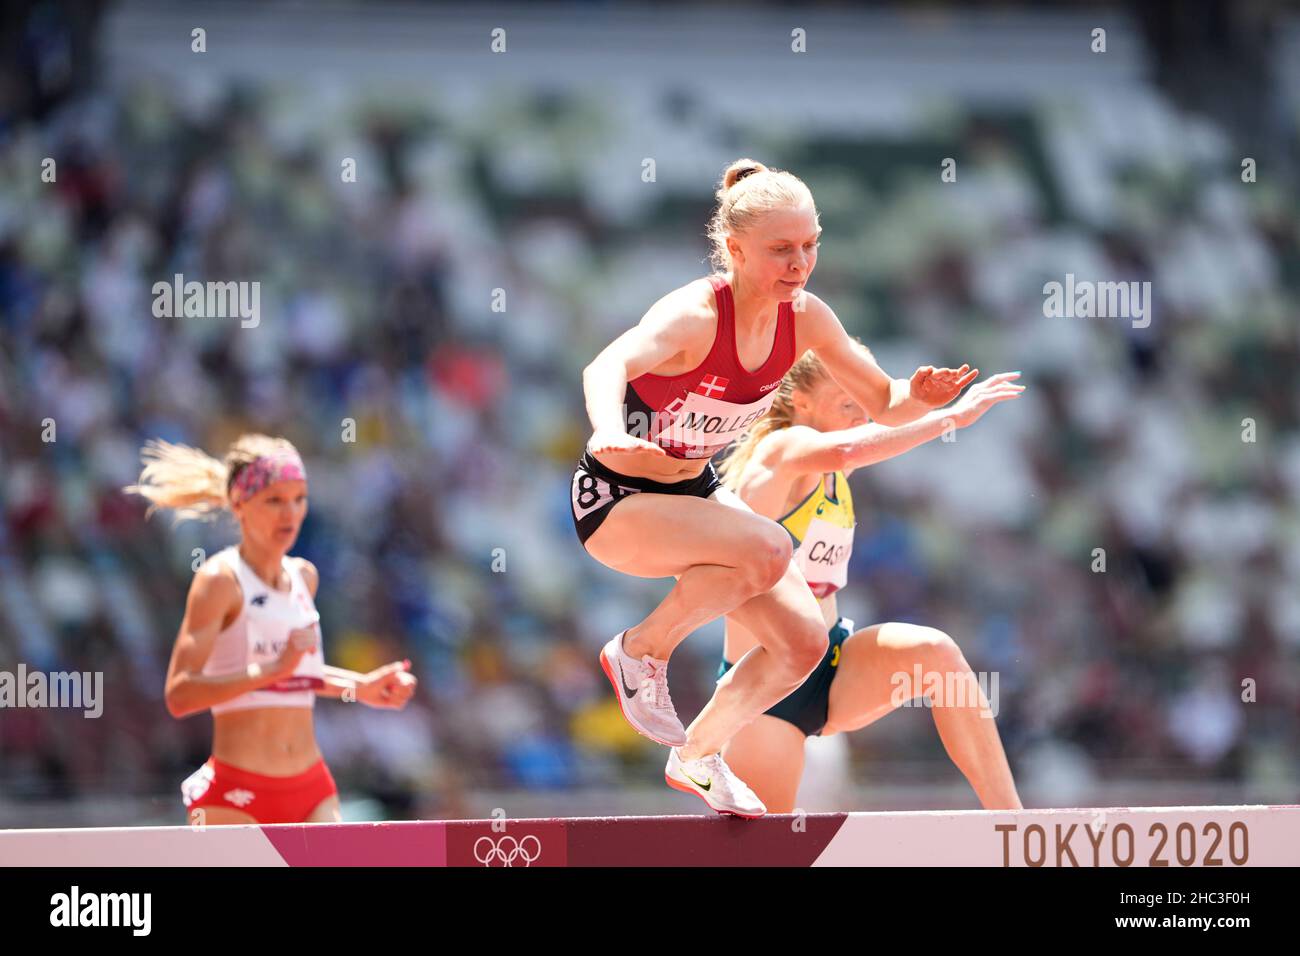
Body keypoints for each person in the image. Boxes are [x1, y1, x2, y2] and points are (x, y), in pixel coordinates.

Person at [572, 157, 979, 817]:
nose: (800, 263)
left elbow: (882, 402)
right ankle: (640, 651)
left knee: (804, 644)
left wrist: (919, 396)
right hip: (619, 501)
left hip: (695, 497)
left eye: (811, 246)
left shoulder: (807, 318)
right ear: (734, 249)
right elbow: (607, 362)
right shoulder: (698, 316)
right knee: (769, 548)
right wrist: (611, 428)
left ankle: (698, 753)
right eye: (782, 249)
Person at [715, 347, 1025, 812]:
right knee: (766, 852)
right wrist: (951, 419)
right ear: (800, 401)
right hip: (764, 696)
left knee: (936, 653)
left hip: (832, 668)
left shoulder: (835, 466)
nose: (859, 418)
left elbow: (879, 431)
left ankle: (1012, 828)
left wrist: (922, 399)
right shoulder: (781, 450)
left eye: (862, 406)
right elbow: (851, 445)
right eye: (846, 406)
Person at [124, 434, 418, 825]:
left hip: (311, 788)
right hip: (235, 794)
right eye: (275, 500)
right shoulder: (219, 580)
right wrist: (270, 670)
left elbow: (298, 673)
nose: (290, 513)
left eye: (299, 498)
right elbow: (180, 694)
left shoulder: (304, 577)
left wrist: (359, 686)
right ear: (240, 505)